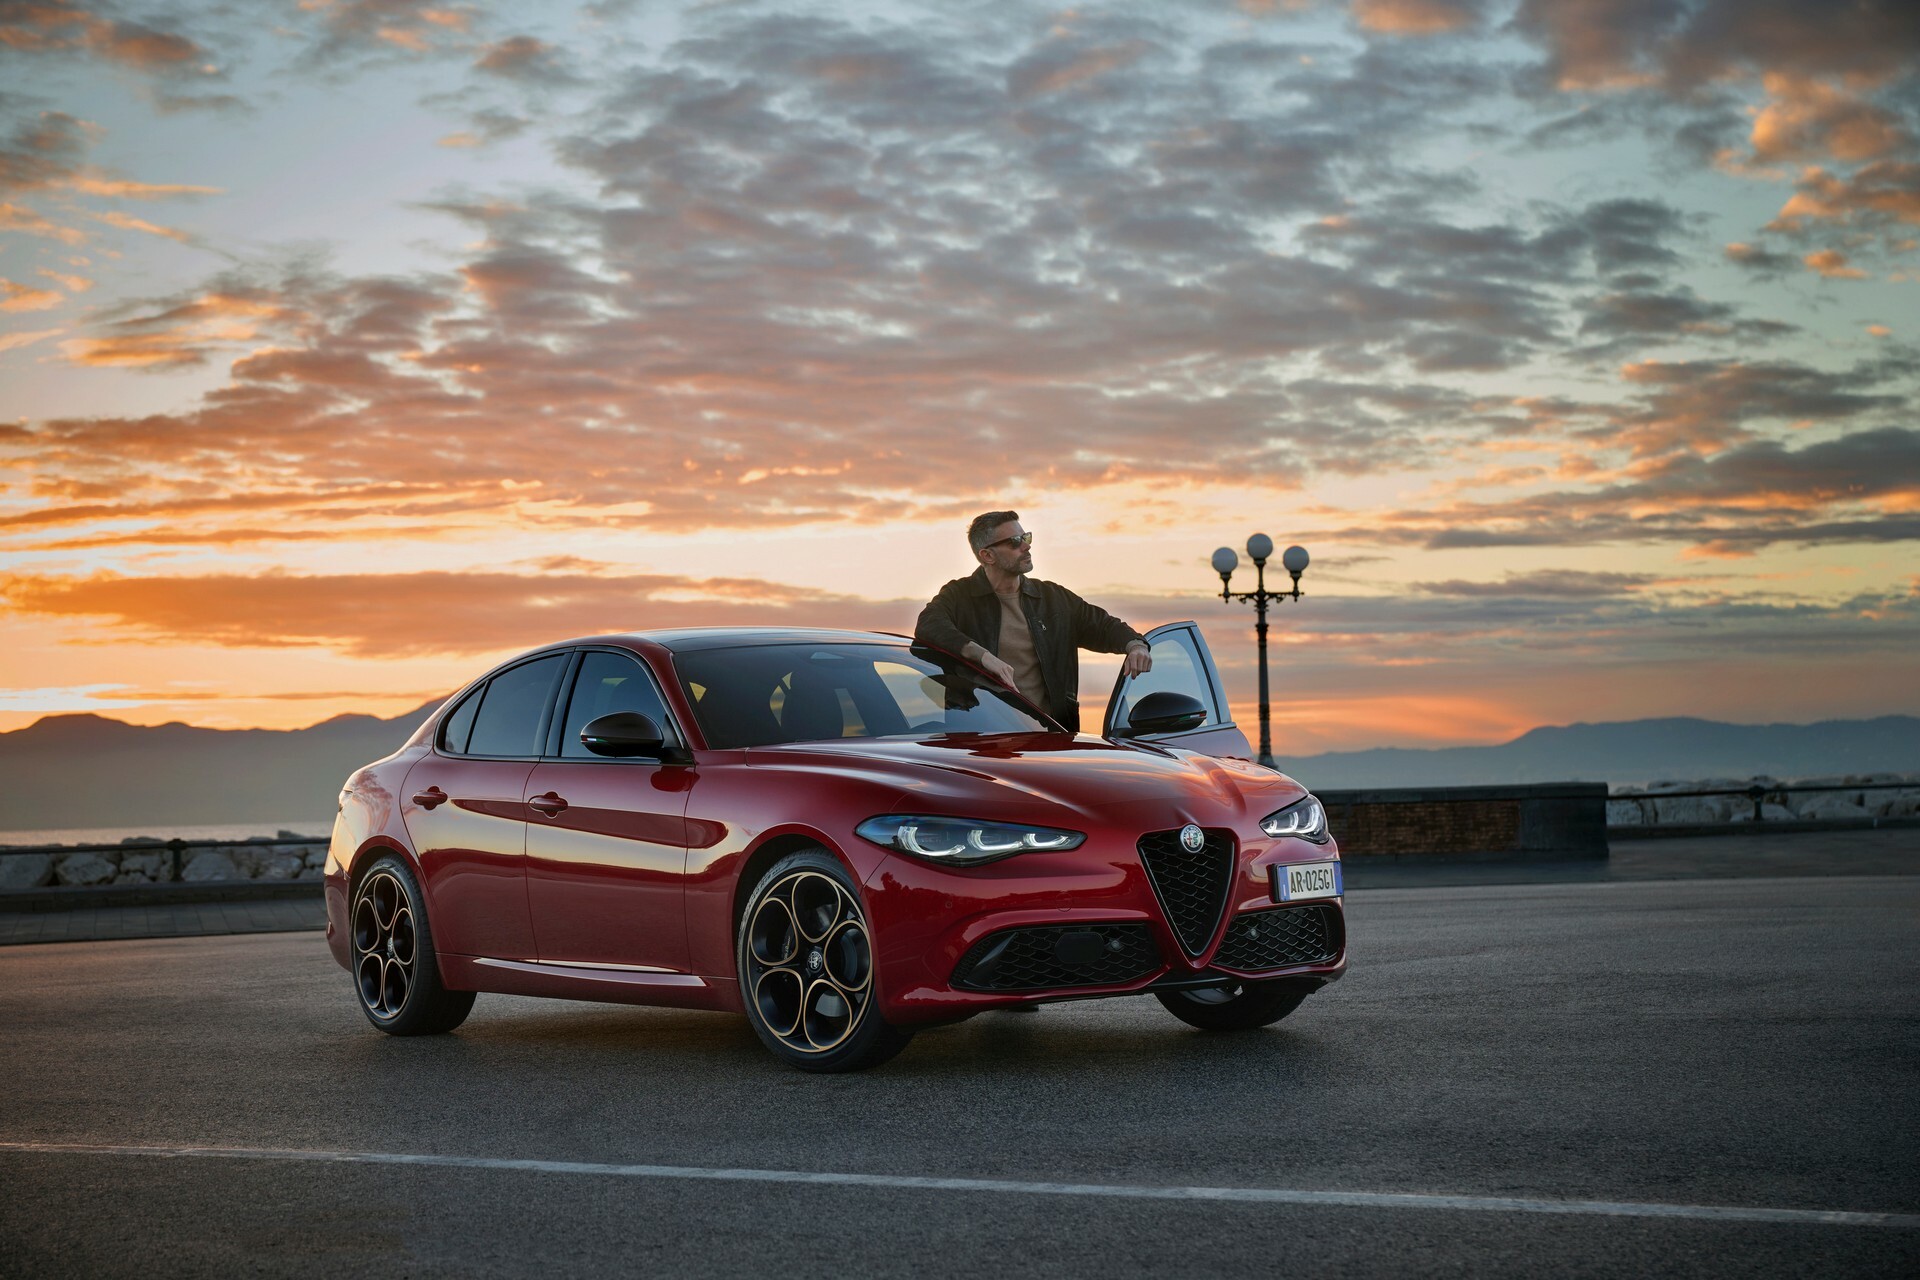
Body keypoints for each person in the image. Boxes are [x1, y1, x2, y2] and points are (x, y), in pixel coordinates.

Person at [914, 511, 1151, 733]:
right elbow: (929, 626)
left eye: (1026, 537)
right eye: (1015, 541)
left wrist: (1136, 645)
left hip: (1052, 736)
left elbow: (1104, 626)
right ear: (987, 555)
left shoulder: (1053, 599)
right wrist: (984, 657)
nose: (1026, 546)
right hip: (979, 739)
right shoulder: (959, 596)